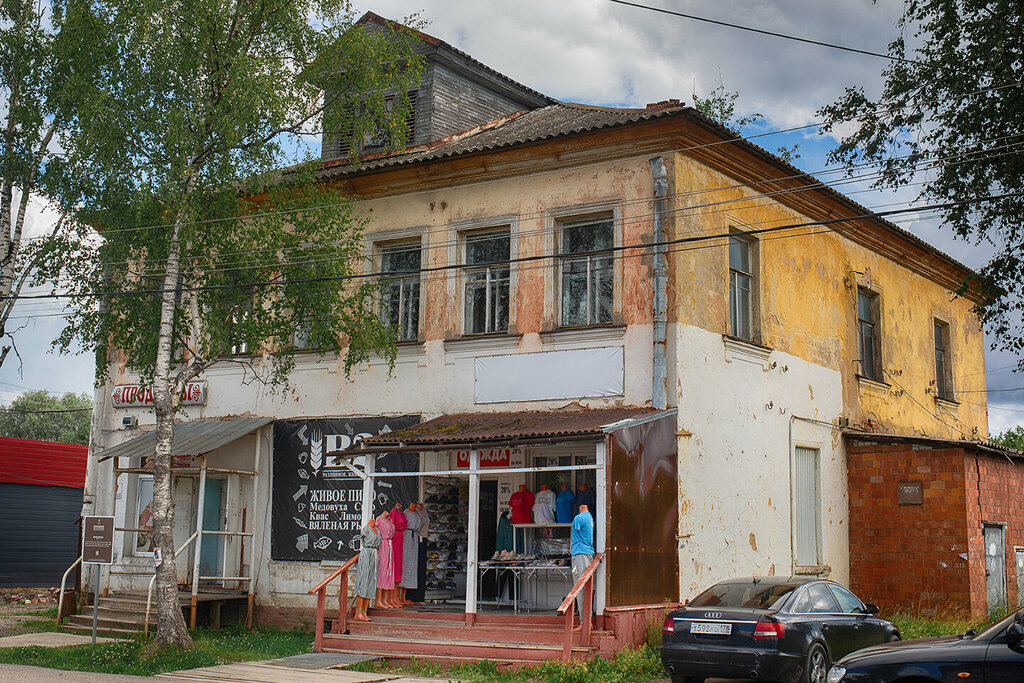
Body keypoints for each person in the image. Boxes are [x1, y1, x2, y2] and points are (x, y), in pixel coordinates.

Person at [570, 503, 595, 620]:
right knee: (587, 585)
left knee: (579, 586)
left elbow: (576, 531)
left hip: (579, 553)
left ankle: (582, 620)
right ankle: (587, 617)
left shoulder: (578, 518)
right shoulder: (590, 517)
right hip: (589, 553)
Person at [352, 517, 380, 621]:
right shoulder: (366, 529)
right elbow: (362, 537)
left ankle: (364, 612)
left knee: (371, 582)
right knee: (363, 582)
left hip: (374, 555)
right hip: (366, 554)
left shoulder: (377, 530)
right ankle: (358, 612)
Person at [401, 503, 423, 605]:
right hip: (407, 536)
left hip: (415, 537)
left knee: (412, 565)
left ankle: (407, 596)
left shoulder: (417, 514)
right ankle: (401, 596)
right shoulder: (405, 513)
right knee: (404, 564)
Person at [375, 510, 398, 608]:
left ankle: (385, 599)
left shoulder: (390, 520)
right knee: (382, 571)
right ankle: (378, 600)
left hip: (389, 545)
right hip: (383, 545)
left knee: (389, 571)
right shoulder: (379, 519)